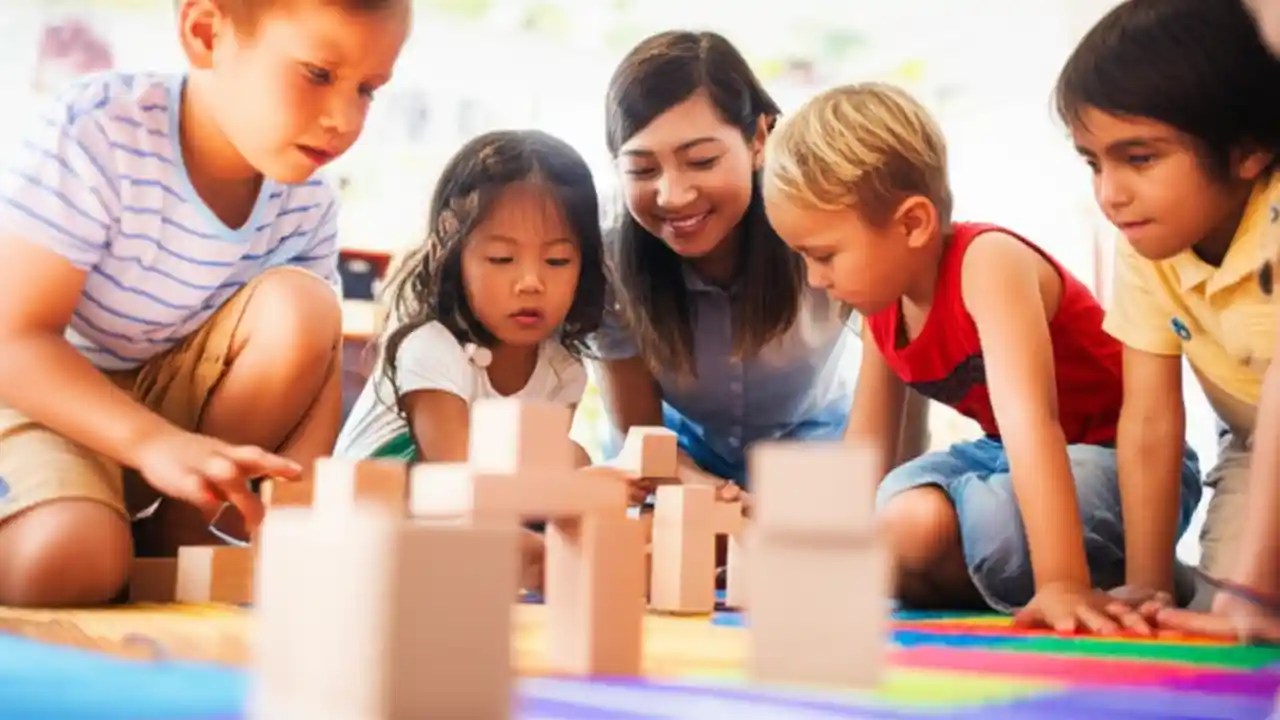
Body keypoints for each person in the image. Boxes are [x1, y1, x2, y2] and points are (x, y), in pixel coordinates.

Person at [0, 0, 410, 607]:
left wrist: (293, 522)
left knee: (306, 306)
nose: (343, 120)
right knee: (67, 564)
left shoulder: (307, 202)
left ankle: (181, 531)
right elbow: (14, 342)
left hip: (174, 429)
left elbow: (313, 361)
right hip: (46, 401)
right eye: (318, 74)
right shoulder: (96, 130)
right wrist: (150, 443)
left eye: (368, 90)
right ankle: (83, 520)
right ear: (205, 33)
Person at [762, 83, 1202, 633]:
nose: (815, 279)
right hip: (1006, 459)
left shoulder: (988, 262)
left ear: (912, 223)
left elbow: (1031, 424)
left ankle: (1125, 577)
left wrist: (1059, 583)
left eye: (823, 255)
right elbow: (867, 454)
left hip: (1117, 463)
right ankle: (1034, 575)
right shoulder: (881, 302)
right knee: (902, 517)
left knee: (959, 528)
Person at [594, 30, 927, 503]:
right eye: (643, 170)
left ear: (759, 138)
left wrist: (890, 501)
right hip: (678, 461)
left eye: (701, 160)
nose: (672, 195)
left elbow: (899, 377)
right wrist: (712, 494)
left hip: (818, 450)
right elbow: (642, 436)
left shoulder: (824, 225)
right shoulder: (609, 257)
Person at [1055, 0, 1280, 636]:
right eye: (1094, 162)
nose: (1111, 193)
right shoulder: (1148, 244)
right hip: (1255, 448)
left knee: (1252, 606)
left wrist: (1259, 593)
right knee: (1215, 612)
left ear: (1249, 147)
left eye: (1140, 158)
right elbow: (1152, 419)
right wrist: (1147, 589)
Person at [335, 129, 605, 467]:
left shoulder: (563, 370)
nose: (531, 283)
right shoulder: (431, 347)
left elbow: (537, 487)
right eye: (501, 258)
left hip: (487, 512)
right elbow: (456, 473)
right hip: (375, 511)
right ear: (453, 252)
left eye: (557, 261)